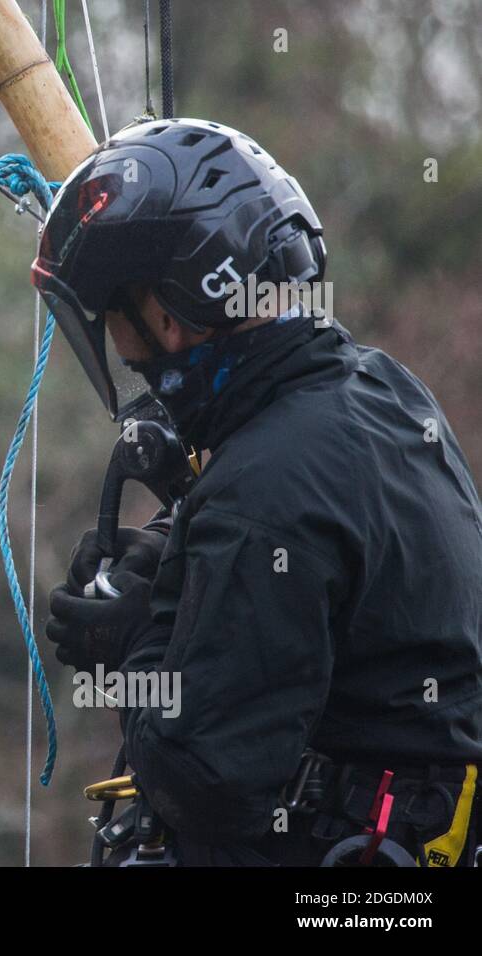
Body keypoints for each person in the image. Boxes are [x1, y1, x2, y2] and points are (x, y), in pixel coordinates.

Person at [33, 117, 482, 866]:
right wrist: (176, 563)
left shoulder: (264, 490)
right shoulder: (384, 391)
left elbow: (203, 783)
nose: (122, 348)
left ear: (170, 317)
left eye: (117, 318)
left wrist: (133, 642)